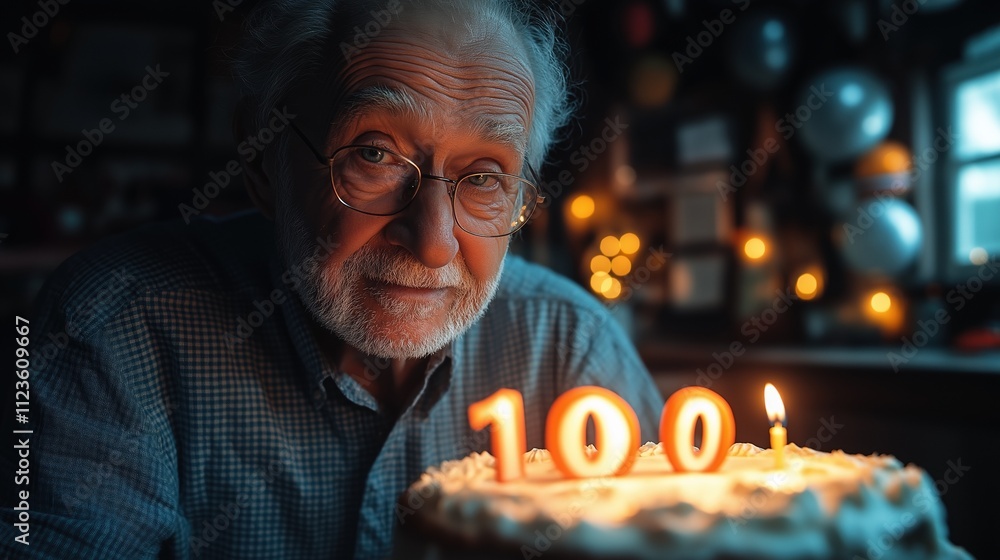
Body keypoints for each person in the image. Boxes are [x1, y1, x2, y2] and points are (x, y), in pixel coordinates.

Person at [1, 1, 664, 558]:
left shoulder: (575, 350)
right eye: (375, 155)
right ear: (262, 160)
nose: (433, 244)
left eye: (485, 176)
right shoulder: (112, 330)